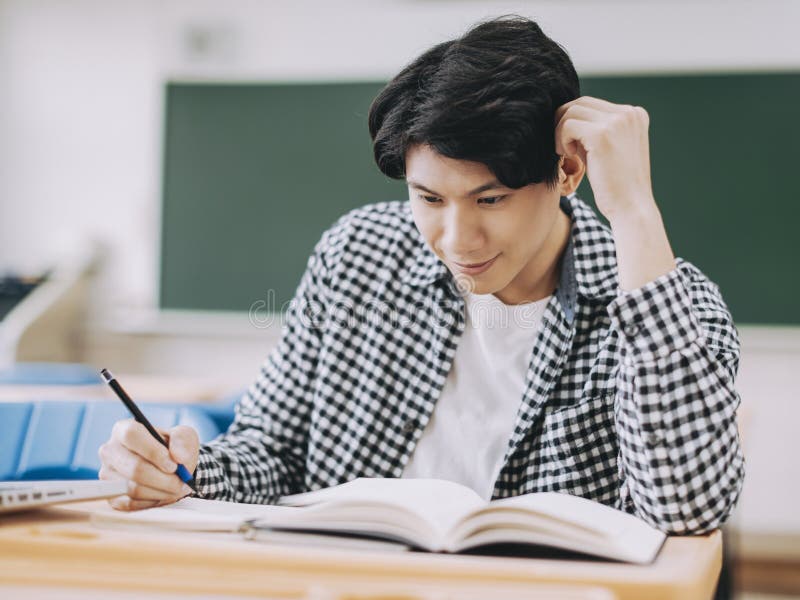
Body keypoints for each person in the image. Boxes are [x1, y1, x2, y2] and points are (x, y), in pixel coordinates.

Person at [98, 15, 744, 534]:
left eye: (490, 199)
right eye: (429, 199)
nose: (457, 240)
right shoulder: (358, 256)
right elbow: (274, 451)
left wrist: (632, 210)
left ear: (567, 172)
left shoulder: (669, 304)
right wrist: (184, 472)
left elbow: (686, 508)